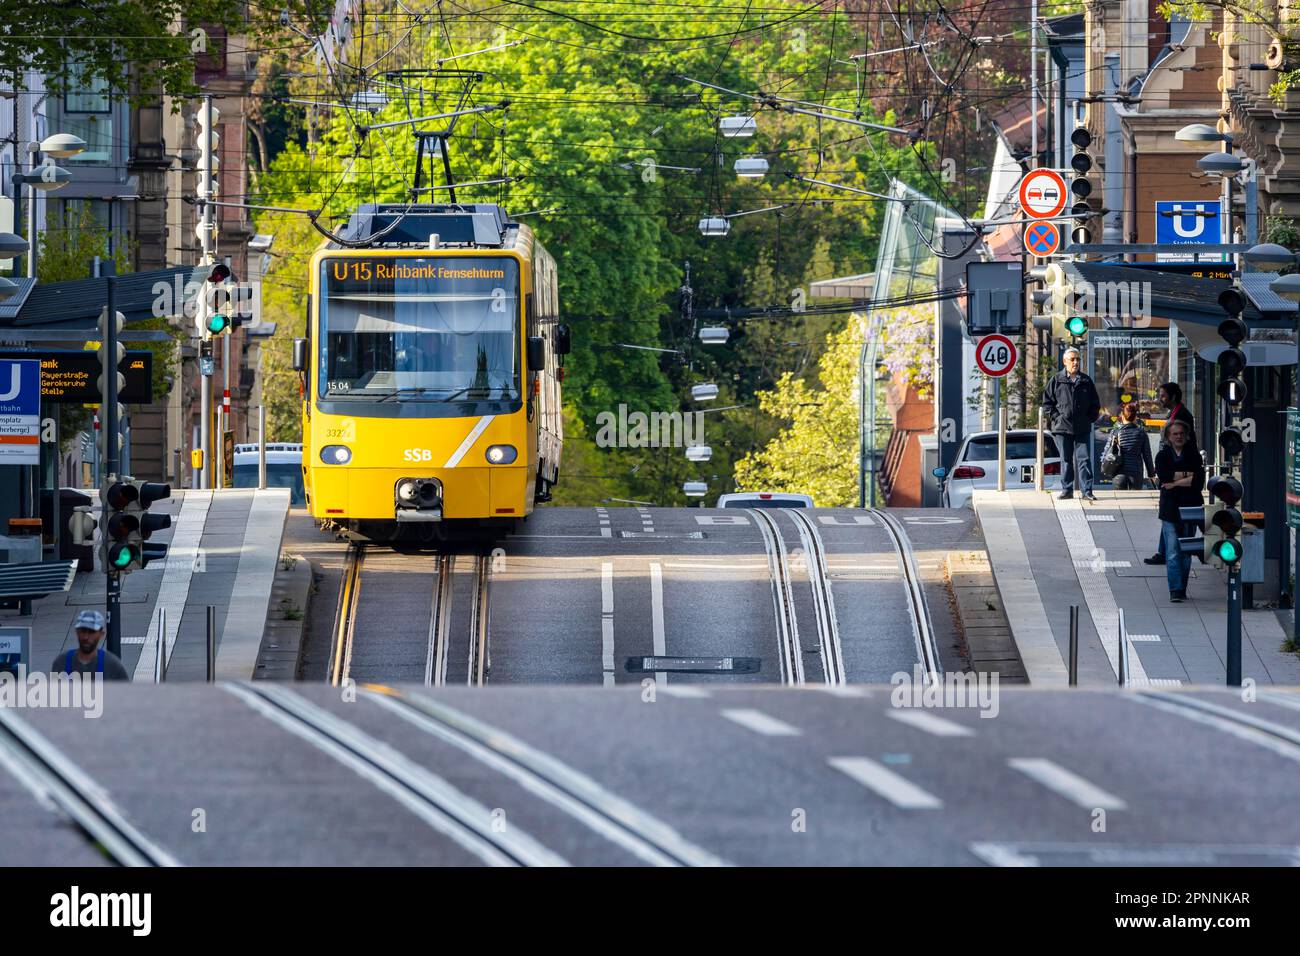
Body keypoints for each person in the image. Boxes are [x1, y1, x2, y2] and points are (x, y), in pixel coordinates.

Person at [1143, 382, 1196, 565]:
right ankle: (1163, 551)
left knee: (1172, 516)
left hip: (1179, 471)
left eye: (1163, 396)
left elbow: (1189, 448)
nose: (1160, 399)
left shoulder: (1182, 416)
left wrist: (1174, 476)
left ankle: (1167, 552)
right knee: (1168, 514)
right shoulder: (1174, 413)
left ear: (1173, 396)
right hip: (1171, 470)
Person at [1042, 346, 1101, 501]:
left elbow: (1095, 404)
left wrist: (1089, 418)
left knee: (1084, 459)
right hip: (1062, 428)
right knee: (1066, 460)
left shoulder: (1086, 381)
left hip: (1082, 428)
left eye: (1078, 359)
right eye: (1072, 359)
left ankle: (1086, 491)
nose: (1076, 362)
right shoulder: (1056, 380)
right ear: (1064, 361)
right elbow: (1047, 404)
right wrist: (1057, 417)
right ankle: (1067, 490)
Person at [1155, 420, 1205, 603]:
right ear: (1168, 437)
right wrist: (1187, 477)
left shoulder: (1194, 456)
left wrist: (1175, 482)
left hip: (1191, 507)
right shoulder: (1162, 456)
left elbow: (1199, 482)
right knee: (1173, 550)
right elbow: (1164, 476)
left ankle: (1182, 586)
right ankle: (1175, 589)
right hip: (1170, 509)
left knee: (1187, 550)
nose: (1178, 437)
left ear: (1186, 436)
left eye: (1181, 434)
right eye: (1175, 434)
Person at [51, 610, 131, 680]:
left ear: (101, 634)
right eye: (83, 631)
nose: (86, 637)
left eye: (91, 632)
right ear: (77, 632)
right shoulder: (61, 662)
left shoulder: (111, 665)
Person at [1106, 402, 1155, 490]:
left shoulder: (1115, 432)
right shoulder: (1141, 433)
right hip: (1136, 472)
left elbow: (1107, 451)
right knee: (1135, 501)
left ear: (1122, 416)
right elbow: (1147, 455)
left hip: (1118, 472)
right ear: (1135, 416)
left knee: (1120, 500)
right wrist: (1151, 474)